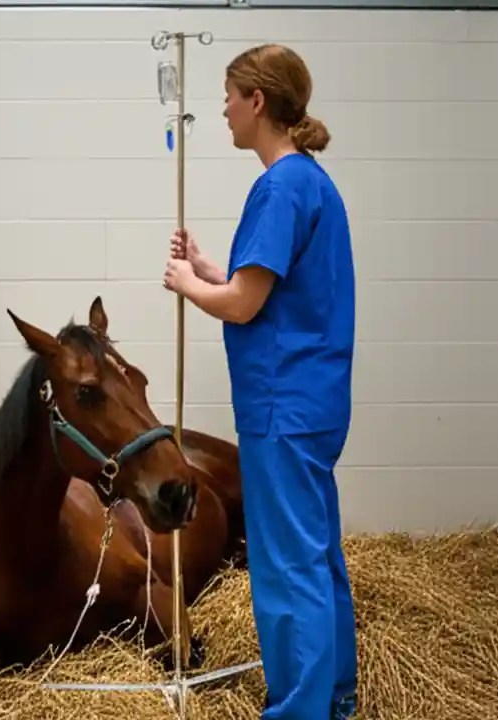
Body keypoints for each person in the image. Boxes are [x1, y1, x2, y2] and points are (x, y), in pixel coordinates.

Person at [161, 43, 358, 720]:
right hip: (314, 403)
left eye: (229, 95)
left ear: (258, 102)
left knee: (286, 567)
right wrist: (214, 272)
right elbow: (262, 290)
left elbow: (245, 306)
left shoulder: (279, 186)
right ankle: (332, 697)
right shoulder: (310, 183)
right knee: (318, 556)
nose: (221, 108)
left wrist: (189, 286)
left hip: (284, 408)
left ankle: (300, 709)